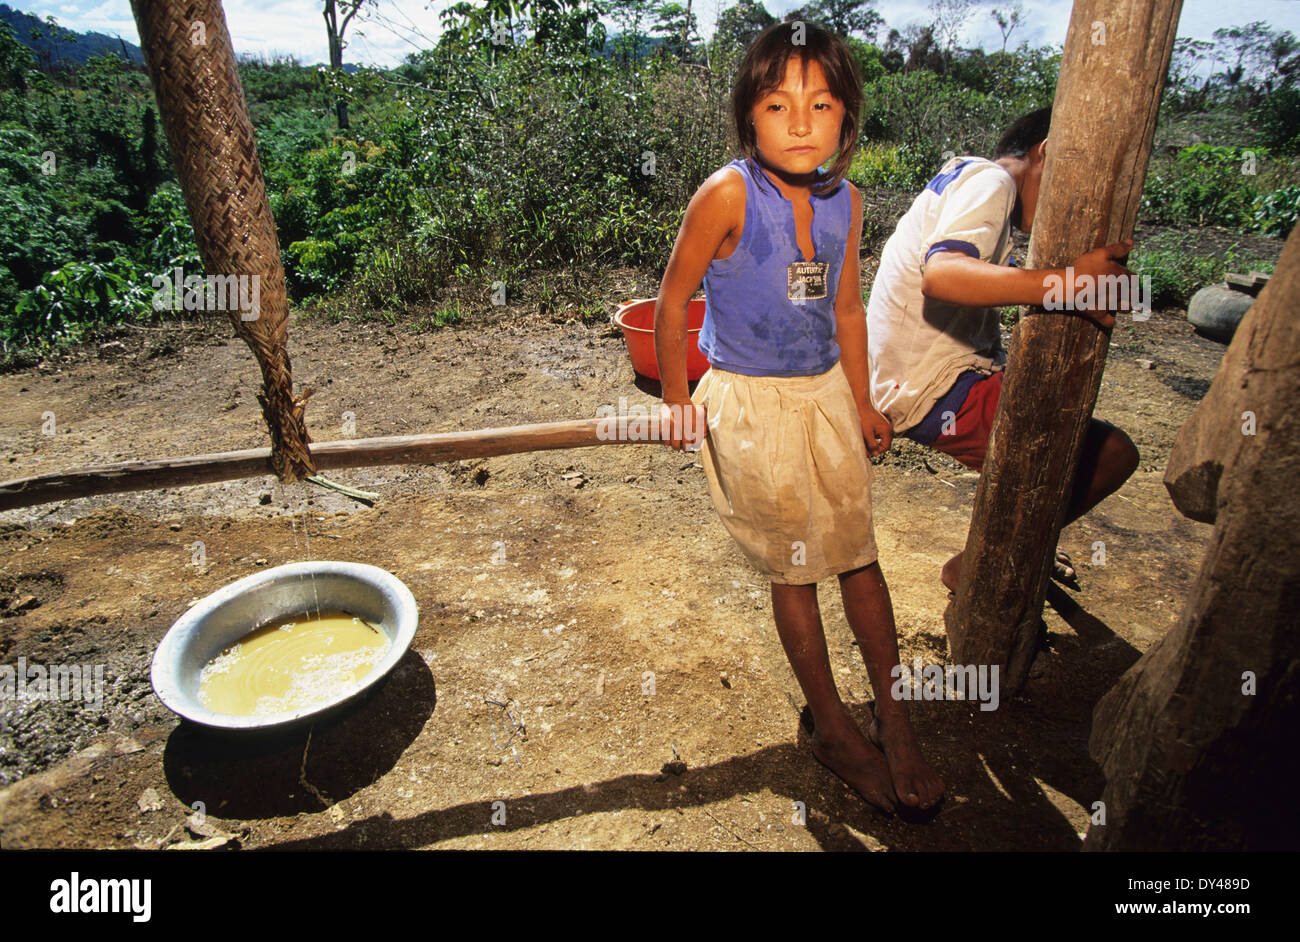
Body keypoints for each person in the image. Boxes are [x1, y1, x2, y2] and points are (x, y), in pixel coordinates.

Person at [653, 22, 943, 815]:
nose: (803, 122)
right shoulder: (726, 194)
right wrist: (680, 404)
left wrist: (861, 398)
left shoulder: (846, 200)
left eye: (821, 104)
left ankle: (894, 716)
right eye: (779, 105)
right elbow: (674, 299)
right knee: (796, 567)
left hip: (824, 396)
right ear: (750, 115)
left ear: (848, 117)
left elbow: (847, 307)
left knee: (858, 554)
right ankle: (836, 728)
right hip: (747, 402)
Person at [866, 106, 1141, 593]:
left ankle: (1018, 541)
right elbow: (942, 275)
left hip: (920, 383)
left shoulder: (968, 180)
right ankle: (986, 559)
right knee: (1113, 453)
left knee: (1037, 465)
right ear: (1048, 153)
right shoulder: (992, 181)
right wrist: (1068, 285)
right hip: (937, 389)